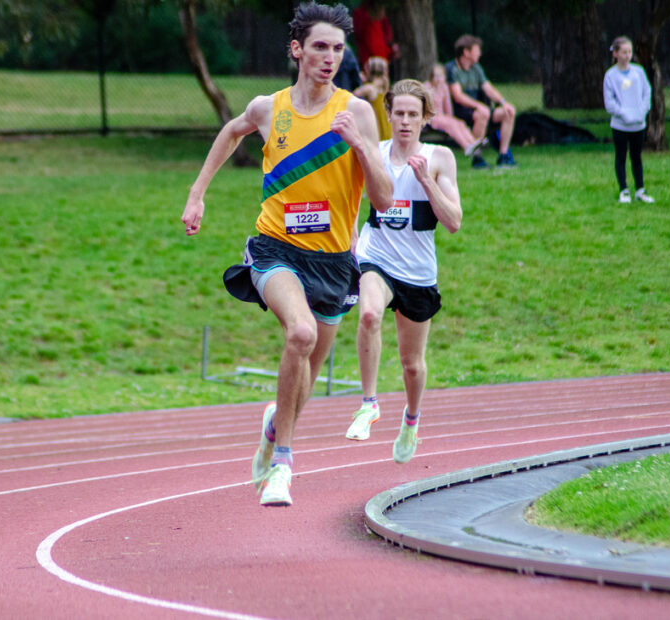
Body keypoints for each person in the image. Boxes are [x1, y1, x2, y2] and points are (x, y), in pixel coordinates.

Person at [180, 2, 394, 507]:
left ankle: (275, 427)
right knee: (299, 334)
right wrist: (197, 193)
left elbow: (384, 199)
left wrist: (361, 147)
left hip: (336, 262)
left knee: (306, 380)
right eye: (320, 46)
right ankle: (283, 465)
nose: (330, 57)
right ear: (297, 50)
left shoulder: (360, 111)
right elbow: (232, 131)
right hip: (276, 248)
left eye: (339, 49)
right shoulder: (267, 107)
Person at [344, 79, 461, 466]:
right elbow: (349, 198)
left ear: (426, 118)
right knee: (368, 313)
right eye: (399, 114)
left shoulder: (440, 156)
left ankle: (411, 420)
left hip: (417, 271)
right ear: (388, 115)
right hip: (376, 257)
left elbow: (454, 222)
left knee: (412, 364)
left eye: (414, 114)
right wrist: (349, 240)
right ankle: (369, 404)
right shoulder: (373, 152)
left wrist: (426, 180)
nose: (406, 122)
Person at [445, 34, 517, 169]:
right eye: (477, 50)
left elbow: (488, 88)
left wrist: (503, 102)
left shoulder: (476, 68)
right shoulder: (452, 68)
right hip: (461, 110)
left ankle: (503, 156)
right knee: (482, 114)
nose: (480, 54)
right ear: (466, 52)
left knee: (508, 112)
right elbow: (458, 96)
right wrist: (479, 106)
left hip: (480, 108)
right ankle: (477, 158)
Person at [603, 36, 654, 204]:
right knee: (621, 157)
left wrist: (642, 111)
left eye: (629, 52)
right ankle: (623, 189)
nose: (627, 55)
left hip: (638, 124)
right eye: (624, 52)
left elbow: (647, 92)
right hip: (620, 125)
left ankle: (640, 189)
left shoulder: (638, 72)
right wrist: (624, 114)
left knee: (637, 156)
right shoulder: (610, 76)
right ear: (616, 53)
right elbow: (610, 103)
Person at [423, 63, 486, 158]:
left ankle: (474, 143)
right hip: (431, 118)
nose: (438, 79)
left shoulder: (444, 87)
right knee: (450, 125)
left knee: (460, 123)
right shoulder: (426, 87)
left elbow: (448, 108)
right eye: (436, 76)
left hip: (442, 116)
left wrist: (451, 118)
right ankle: (466, 147)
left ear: (444, 77)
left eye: (441, 76)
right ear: (432, 76)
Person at [351, 0, 400, 69]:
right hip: (371, 62)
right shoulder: (363, 16)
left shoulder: (380, 18)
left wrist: (391, 49)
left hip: (377, 59)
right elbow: (373, 45)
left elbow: (388, 37)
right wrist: (390, 51)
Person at [354, 55, 392, 140]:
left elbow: (354, 94)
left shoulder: (370, 88)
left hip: (377, 122)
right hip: (385, 122)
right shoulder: (384, 84)